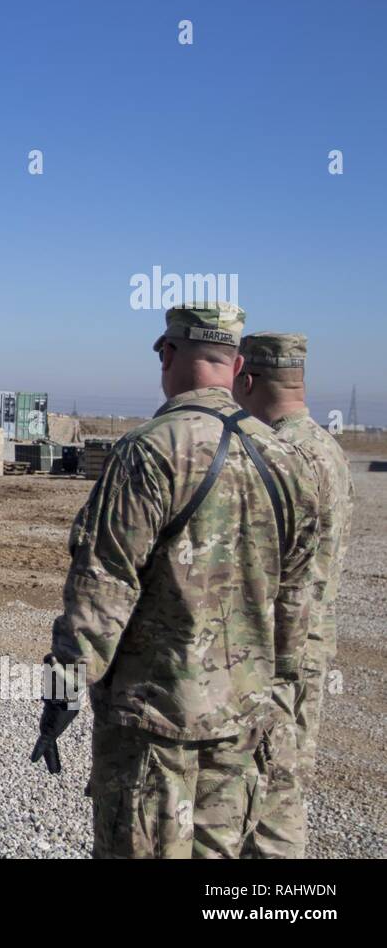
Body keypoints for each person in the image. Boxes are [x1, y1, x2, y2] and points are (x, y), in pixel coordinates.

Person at [31, 302, 318, 858]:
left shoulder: (149, 452)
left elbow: (101, 592)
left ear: (167, 354)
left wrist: (59, 699)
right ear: (237, 368)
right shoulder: (287, 459)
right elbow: (295, 602)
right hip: (241, 724)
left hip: (153, 732)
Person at [234, 333, 354, 858]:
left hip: (282, 653)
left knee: (273, 797)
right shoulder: (328, 448)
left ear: (248, 380)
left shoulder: (285, 455)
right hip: (309, 645)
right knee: (282, 779)